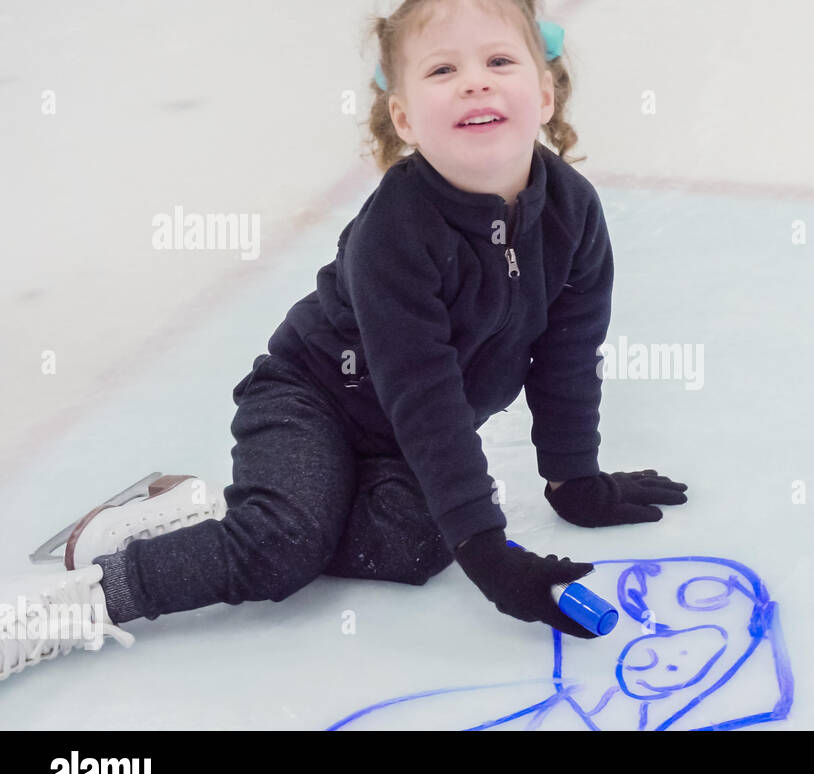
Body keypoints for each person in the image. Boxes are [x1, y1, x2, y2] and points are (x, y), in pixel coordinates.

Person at [1, 0, 687, 682]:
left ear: (543, 94)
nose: (476, 81)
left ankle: (233, 509)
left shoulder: (574, 212)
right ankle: (79, 601)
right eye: (444, 68)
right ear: (405, 117)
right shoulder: (396, 230)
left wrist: (573, 479)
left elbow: (568, 355)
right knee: (284, 548)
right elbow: (426, 394)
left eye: (499, 61)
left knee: (424, 544)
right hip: (311, 399)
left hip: (394, 436)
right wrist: (490, 554)